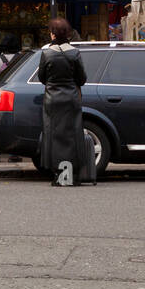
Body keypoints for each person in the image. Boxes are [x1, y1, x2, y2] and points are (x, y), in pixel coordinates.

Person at [38, 17, 91, 186]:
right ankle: (73, 173)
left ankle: (57, 174)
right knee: (73, 134)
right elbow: (82, 79)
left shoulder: (46, 53)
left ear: (52, 34)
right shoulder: (74, 53)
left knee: (52, 134)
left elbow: (42, 78)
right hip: (71, 98)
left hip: (52, 100)